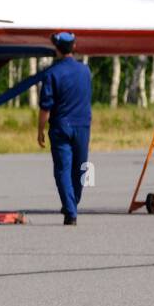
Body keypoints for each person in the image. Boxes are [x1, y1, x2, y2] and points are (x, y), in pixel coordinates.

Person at [37, 32, 93, 225]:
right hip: (82, 126)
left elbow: (46, 107)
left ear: (57, 49)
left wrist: (40, 130)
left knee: (62, 169)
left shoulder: (52, 73)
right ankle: (72, 203)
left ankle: (70, 210)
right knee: (80, 168)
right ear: (74, 47)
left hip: (61, 126)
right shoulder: (86, 71)